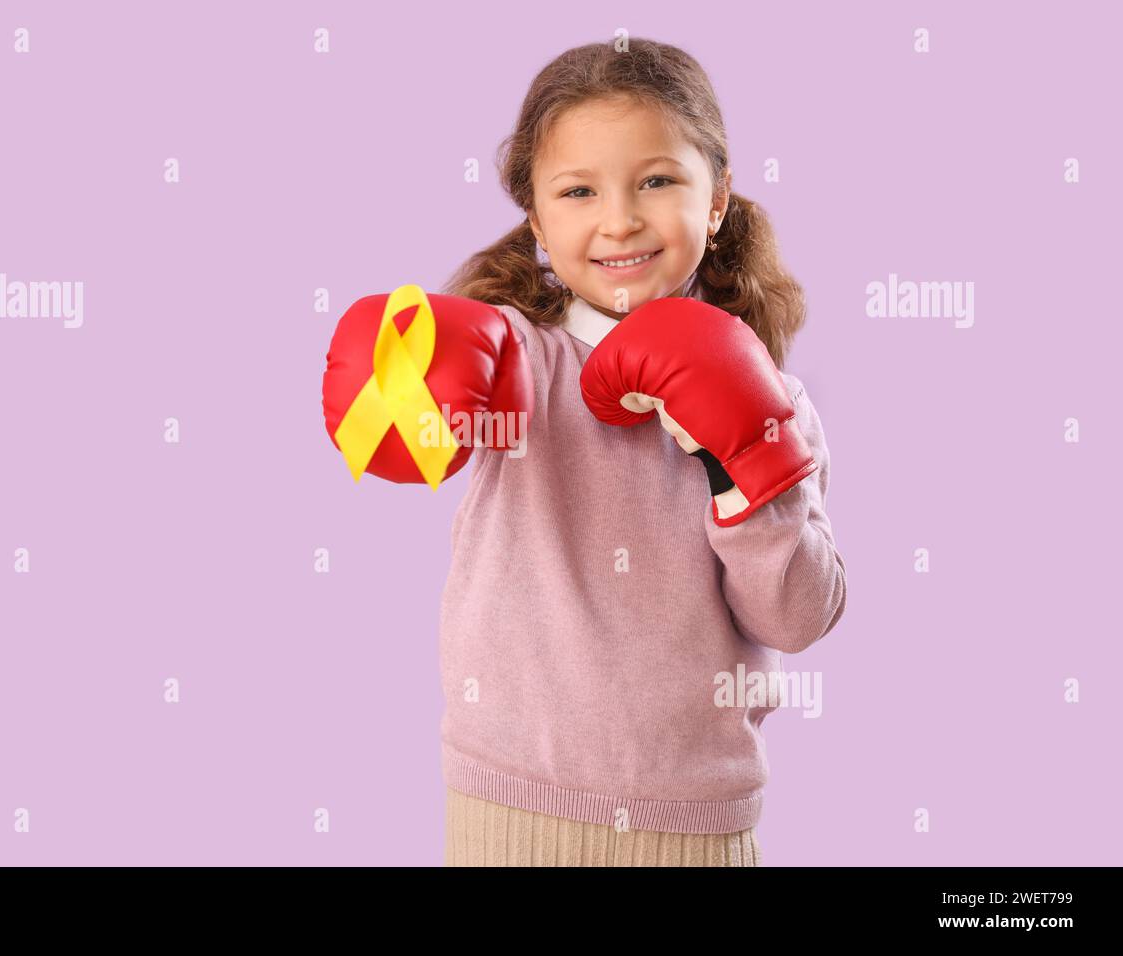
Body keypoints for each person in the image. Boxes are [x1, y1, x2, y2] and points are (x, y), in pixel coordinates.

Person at [324, 37, 847, 867]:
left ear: (716, 201)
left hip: (695, 820)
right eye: (578, 191)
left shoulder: (774, 401)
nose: (619, 219)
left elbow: (798, 617)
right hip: (506, 799)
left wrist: (738, 461)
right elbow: (399, 432)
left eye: (658, 180)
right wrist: (409, 364)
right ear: (536, 218)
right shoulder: (515, 364)